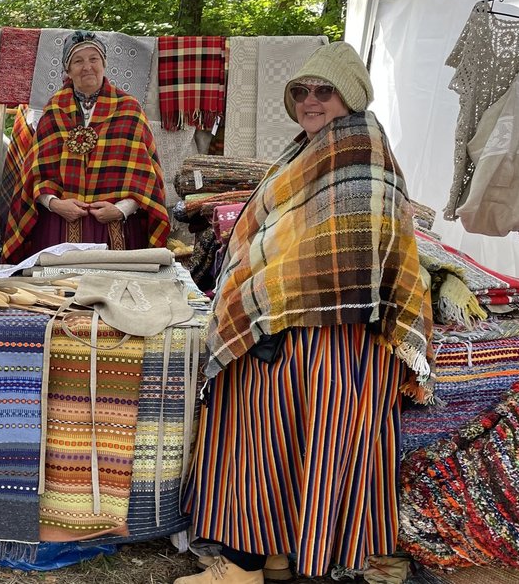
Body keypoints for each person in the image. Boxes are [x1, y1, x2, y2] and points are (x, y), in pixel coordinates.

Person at [180, 42, 432, 584]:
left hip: (328, 337)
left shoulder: (357, 150)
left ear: (352, 96)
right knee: (292, 445)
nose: (311, 100)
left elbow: (346, 247)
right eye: (302, 91)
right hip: (308, 330)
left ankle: (245, 566)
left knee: (266, 441)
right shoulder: (313, 147)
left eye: (325, 90)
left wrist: (266, 297)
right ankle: (278, 557)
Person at [0, 31, 169, 262]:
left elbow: (146, 178)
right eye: (78, 61)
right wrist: (55, 204)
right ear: (68, 70)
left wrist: (120, 210)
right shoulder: (54, 111)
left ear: (104, 64)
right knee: (56, 292)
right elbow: (35, 175)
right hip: (59, 226)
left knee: (116, 292)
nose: (87, 67)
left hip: (115, 227)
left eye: (93, 59)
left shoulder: (129, 109)